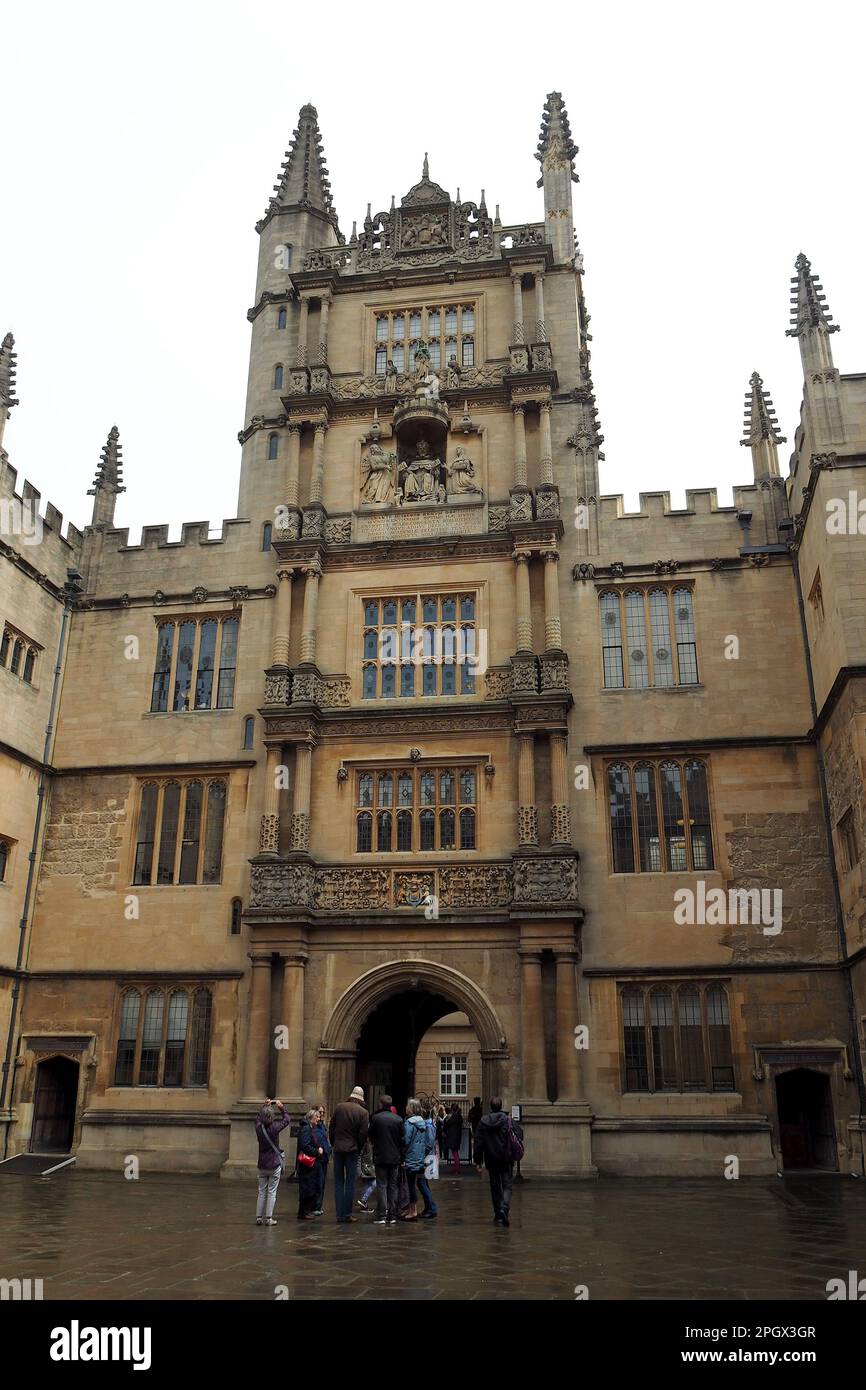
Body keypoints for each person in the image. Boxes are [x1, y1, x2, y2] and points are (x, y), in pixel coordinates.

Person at [328, 1085, 369, 1223]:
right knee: (350, 1183)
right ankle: (347, 1214)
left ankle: (339, 1214)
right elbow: (363, 1134)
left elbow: (331, 1127)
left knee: (338, 1182)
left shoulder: (339, 1107)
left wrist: (334, 1143)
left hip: (338, 1149)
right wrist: (358, 1147)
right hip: (352, 1150)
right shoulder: (363, 1113)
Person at [474, 1096, 515, 1227]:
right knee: (507, 1186)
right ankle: (504, 1208)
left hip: (491, 1159)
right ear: (501, 1106)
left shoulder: (483, 1121)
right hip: (505, 1158)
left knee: (495, 1187)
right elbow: (516, 1136)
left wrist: (478, 1161)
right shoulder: (507, 1120)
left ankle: (498, 1213)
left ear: (490, 1106)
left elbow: (478, 1143)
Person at [368, 1093, 404, 1225]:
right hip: (394, 1158)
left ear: (381, 1104)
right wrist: (402, 1157)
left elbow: (370, 1134)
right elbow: (402, 1140)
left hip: (381, 1157)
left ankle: (382, 1215)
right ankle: (393, 1215)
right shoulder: (398, 1119)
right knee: (393, 1186)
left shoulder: (376, 1118)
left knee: (382, 1186)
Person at [254, 1098, 290, 1226]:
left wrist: (264, 1106)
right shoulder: (275, 1127)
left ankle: (259, 1217)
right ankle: (268, 1218)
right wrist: (281, 1108)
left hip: (262, 1164)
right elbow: (287, 1120)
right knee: (272, 1191)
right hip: (274, 1163)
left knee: (262, 1191)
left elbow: (258, 1118)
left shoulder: (258, 1128)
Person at [402, 1098, 438, 1221]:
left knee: (418, 1184)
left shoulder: (411, 1123)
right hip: (422, 1157)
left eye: (407, 1106)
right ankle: (427, 1208)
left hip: (420, 1157)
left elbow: (407, 1141)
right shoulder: (423, 1122)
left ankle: (426, 1209)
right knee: (421, 1183)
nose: (405, 1107)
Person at [296, 1109, 324, 1220]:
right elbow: (305, 1145)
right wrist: (317, 1151)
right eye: (316, 1117)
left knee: (311, 1187)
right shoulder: (306, 1129)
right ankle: (303, 1212)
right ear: (311, 1118)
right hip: (307, 1164)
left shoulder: (311, 1128)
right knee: (306, 1187)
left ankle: (306, 1210)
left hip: (312, 1163)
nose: (318, 1119)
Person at [312, 1105, 331, 1214]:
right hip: (317, 1157)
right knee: (317, 1182)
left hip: (324, 1158)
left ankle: (318, 1206)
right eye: (320, 1112)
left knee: (322, 1182)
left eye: (323, 1112)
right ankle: (314, 1206)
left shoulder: (323, 1126)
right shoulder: (313, 1126)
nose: (322, 1115)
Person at [444, 1102, 463, 1172]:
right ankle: (456, 1167)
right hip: (457, 1137)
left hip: (453, 1137)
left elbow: (447, 1123)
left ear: (452, 1109)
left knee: (455, 1153)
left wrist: (447, 1118)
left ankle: (457, 1168)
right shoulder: (459, 1116)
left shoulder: (454, 1116)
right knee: (455, 1153)